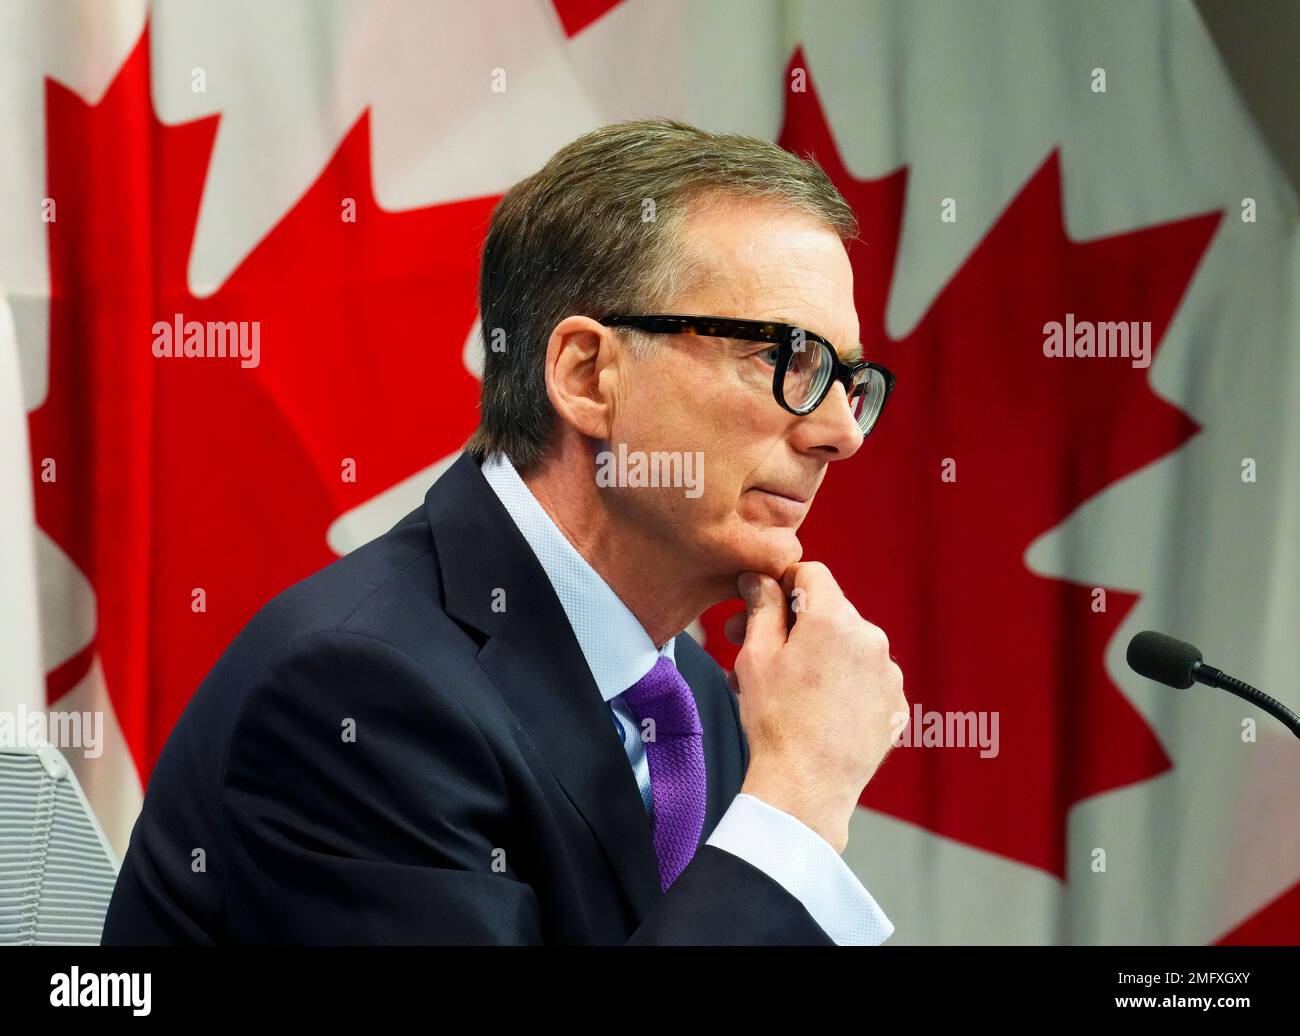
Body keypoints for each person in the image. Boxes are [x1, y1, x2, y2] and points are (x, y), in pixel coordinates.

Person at [101, 118, 907, 945]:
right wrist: (798, 803)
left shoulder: (703, 701)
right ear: (589, 376)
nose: (842, 432)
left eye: (848, 380)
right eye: (790, 359)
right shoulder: (360, 691)